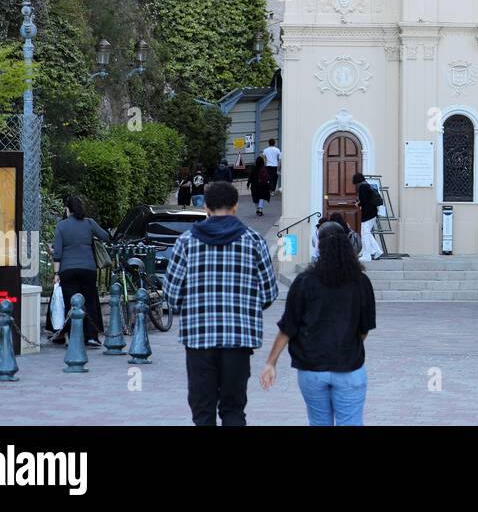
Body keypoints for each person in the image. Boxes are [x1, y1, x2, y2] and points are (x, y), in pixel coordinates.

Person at [164, 181, 278, 426]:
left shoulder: (186, 242)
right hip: (239, 339)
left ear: (206, 207)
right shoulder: (254, 241)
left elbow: (172, 295)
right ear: (236, 206)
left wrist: (192, 306)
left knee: (202, 410)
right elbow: (269, 292)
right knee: (234, 409)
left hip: (198, 338)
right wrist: (246, 309)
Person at [260, 222, 376, 426]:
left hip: (312, 369)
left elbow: (288, 327)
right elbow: (364, 329)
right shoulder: (361, 282)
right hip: (349, 367)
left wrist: (271, 362)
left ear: (319, 247)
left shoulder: (304, 281)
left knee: (318, 422)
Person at [51, 196, 109, 347]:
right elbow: (105, 236)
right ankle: (91, 337)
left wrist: (56, 274)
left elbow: (57, 253)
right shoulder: (89, 223)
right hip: (88, 269)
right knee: (90, 302)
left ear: (67, 209)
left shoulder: (61, 226)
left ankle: (73, 336)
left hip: (67, 270)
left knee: (71, 304)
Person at [354, 173, 384, 261]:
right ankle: (377, 250)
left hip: (367, 213)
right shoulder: (367, 185)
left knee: (364, 233)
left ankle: (367, 255)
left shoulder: (362, 187)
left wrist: (358, 203)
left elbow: (363, 201)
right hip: (373, 212)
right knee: (367, 232)